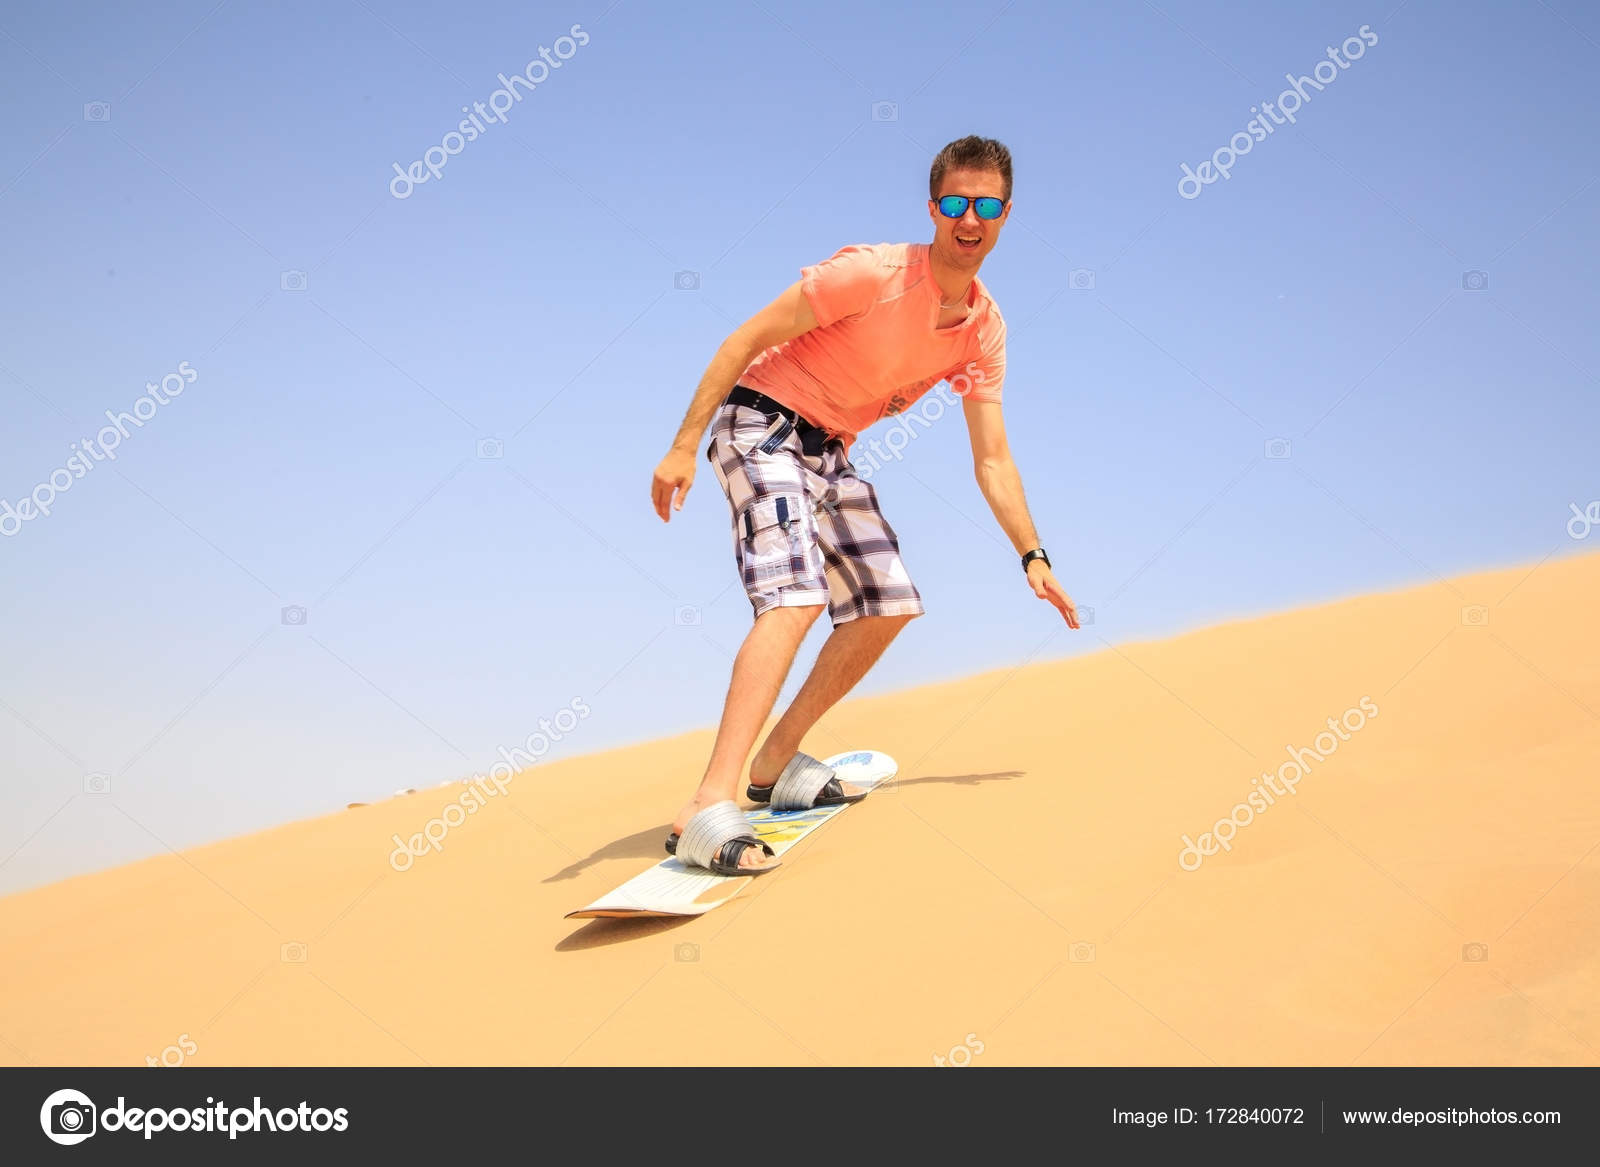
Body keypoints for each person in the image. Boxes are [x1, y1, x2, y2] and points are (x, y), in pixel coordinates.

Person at [649, 135, 1078, 875]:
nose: (968, 220)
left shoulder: (983, 329)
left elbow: (993, 458)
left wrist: (1032, 555)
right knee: (796, 594)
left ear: (1007, 215)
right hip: (760, 420)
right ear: (933, 208)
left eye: (986, 206)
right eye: (954, 203)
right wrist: (684, 444)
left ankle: (774, 762)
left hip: (827, 449)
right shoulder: (872, 274)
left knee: (888, 600)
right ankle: (708, 803)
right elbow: (746, 335)